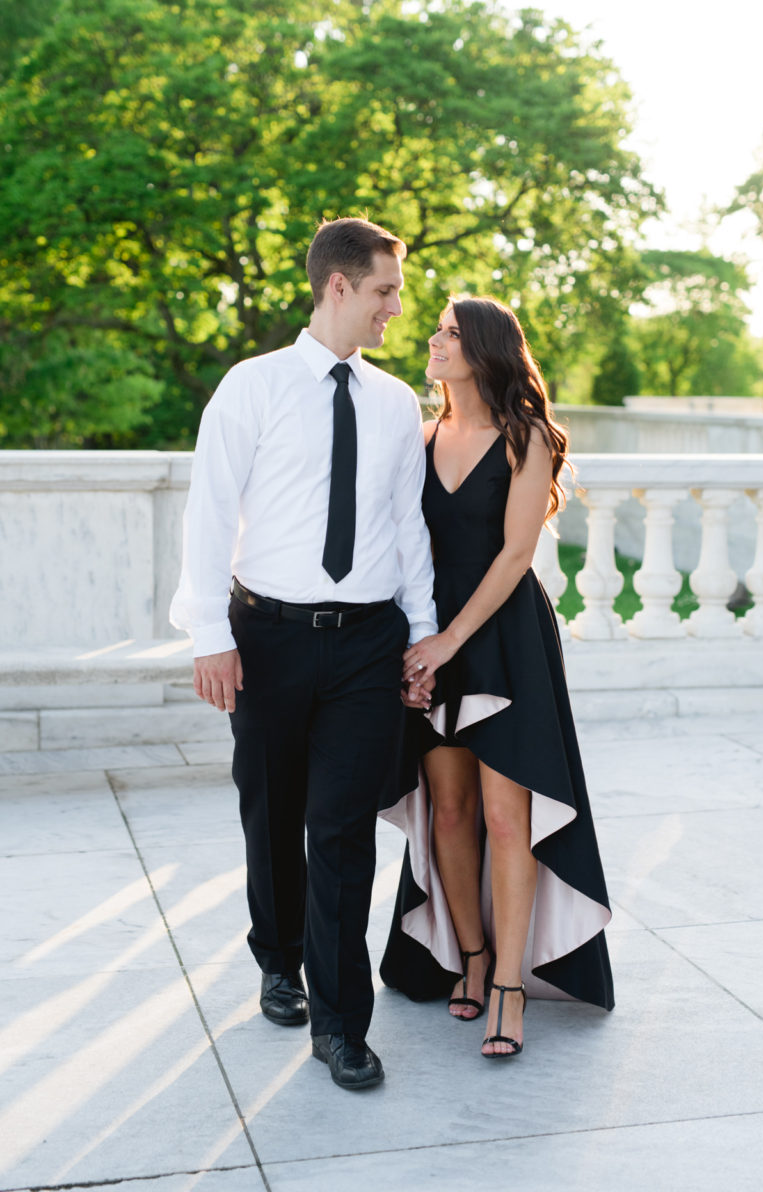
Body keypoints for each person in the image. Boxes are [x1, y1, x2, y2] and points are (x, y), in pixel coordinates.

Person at [170, 216, 433, 1091]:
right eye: (386, 292)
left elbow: (407, 528)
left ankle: (340, 1023)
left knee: (343, 830)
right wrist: (210, 633)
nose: (397, 309)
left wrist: (421, 632)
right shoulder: (252, 388)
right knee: (272, 808)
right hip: (269, 635)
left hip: (366, 642)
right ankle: (277, 959)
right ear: (338, 287)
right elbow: (209, 511)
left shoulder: (396, 403)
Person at [377, 295, 614, 1058]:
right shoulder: (416, 438)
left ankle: (509, 985)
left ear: (482, 350)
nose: (435, 341)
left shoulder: (526, 436)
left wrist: (450, 642)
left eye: (450, 333)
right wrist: (418, 647)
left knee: (508, 818)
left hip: (500, 640)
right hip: (430, 640)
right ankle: (472, 956)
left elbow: (516, 555)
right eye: (438, 331)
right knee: (448, 813)